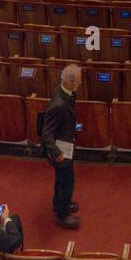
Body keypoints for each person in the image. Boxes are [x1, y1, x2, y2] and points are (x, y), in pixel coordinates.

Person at [41, 64, 81, 228]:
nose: (80, 83)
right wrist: (56, 153)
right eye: (78, 80)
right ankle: (63, 215)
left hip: (65, 143)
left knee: (62, 179)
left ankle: (59, 203)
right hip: (60, 150)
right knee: (67, 181)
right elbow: (46, 134)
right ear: (71, 82)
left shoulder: (64, 92)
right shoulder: (59, 104)